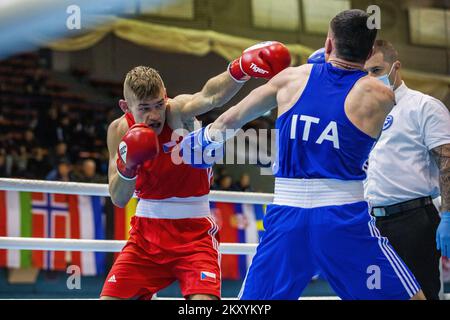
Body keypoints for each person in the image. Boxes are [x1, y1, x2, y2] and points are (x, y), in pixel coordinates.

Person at [182, 9, 426, 300]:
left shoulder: (289, 80)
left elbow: (227, 122)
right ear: (370, 50)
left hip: (287, 218)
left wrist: (195, 146)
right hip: (343, 219)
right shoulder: (380, 96)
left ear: (328, 44)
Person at [100, 42, 291, 300]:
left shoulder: (176, 111)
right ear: (126, 107)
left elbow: (209, 96)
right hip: (145, 238)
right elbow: (119, 198)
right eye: (144, 108)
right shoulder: (118, 131)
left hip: (194, 236)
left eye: (158, 103)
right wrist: (128, 166)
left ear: (165, 96)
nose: (155, 115)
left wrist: (240, 69)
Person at [363, 40, 450, 300]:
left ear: (396, 67)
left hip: (413, 222)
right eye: (364, 72)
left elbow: (447, 163)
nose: (370, 78)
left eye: (376, 70)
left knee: (420, 295)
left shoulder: (424, 106)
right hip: (369, 223)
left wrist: (448, 214)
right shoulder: (361, 113)